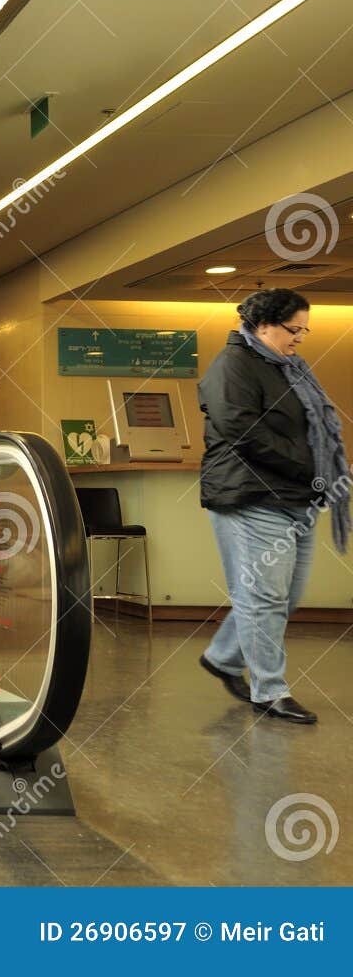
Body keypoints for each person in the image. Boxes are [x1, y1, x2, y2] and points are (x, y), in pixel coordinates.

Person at [196, 288, 348, 725]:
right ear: (263, 325)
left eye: (304, 330)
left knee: (286, 595)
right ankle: (269, 690)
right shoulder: (233, 365)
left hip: (296, 497)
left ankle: (224, 657)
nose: (300, 337)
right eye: (293, 329)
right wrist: (310, 465)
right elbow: (242, 430)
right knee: (264, 597)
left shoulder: (286, 367)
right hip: (250, 496)